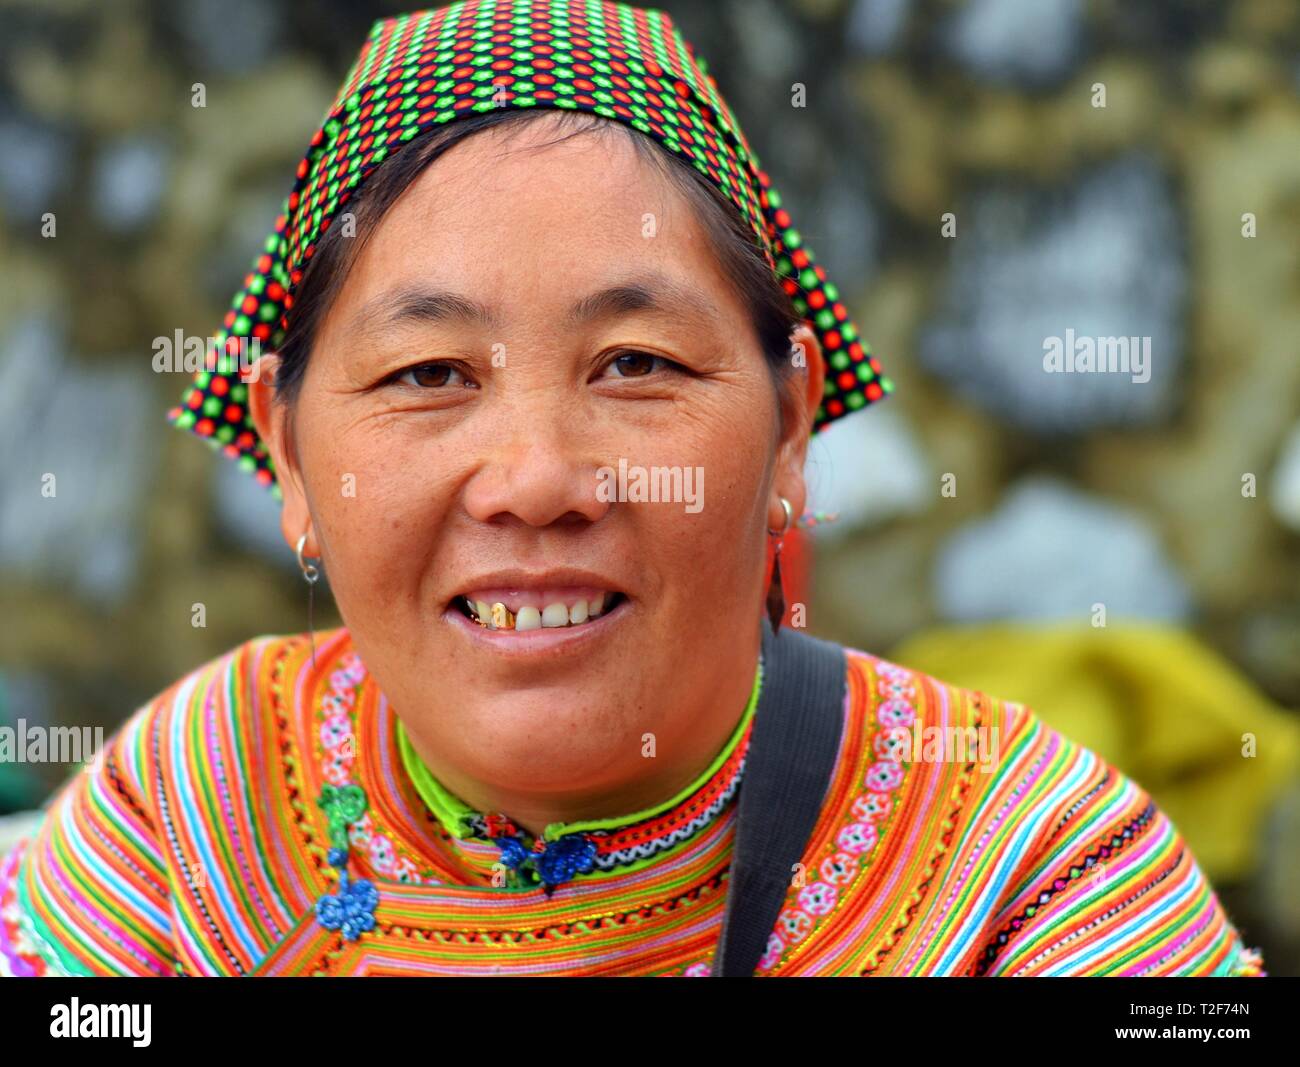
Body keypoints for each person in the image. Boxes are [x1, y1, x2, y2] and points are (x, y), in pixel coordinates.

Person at [0, 0, 1264, 977]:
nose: (536, 479)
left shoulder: (1028, 874)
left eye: (636, 363)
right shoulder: (194, 814)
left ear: (788, 432)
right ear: (288, 456)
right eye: (430, 370)